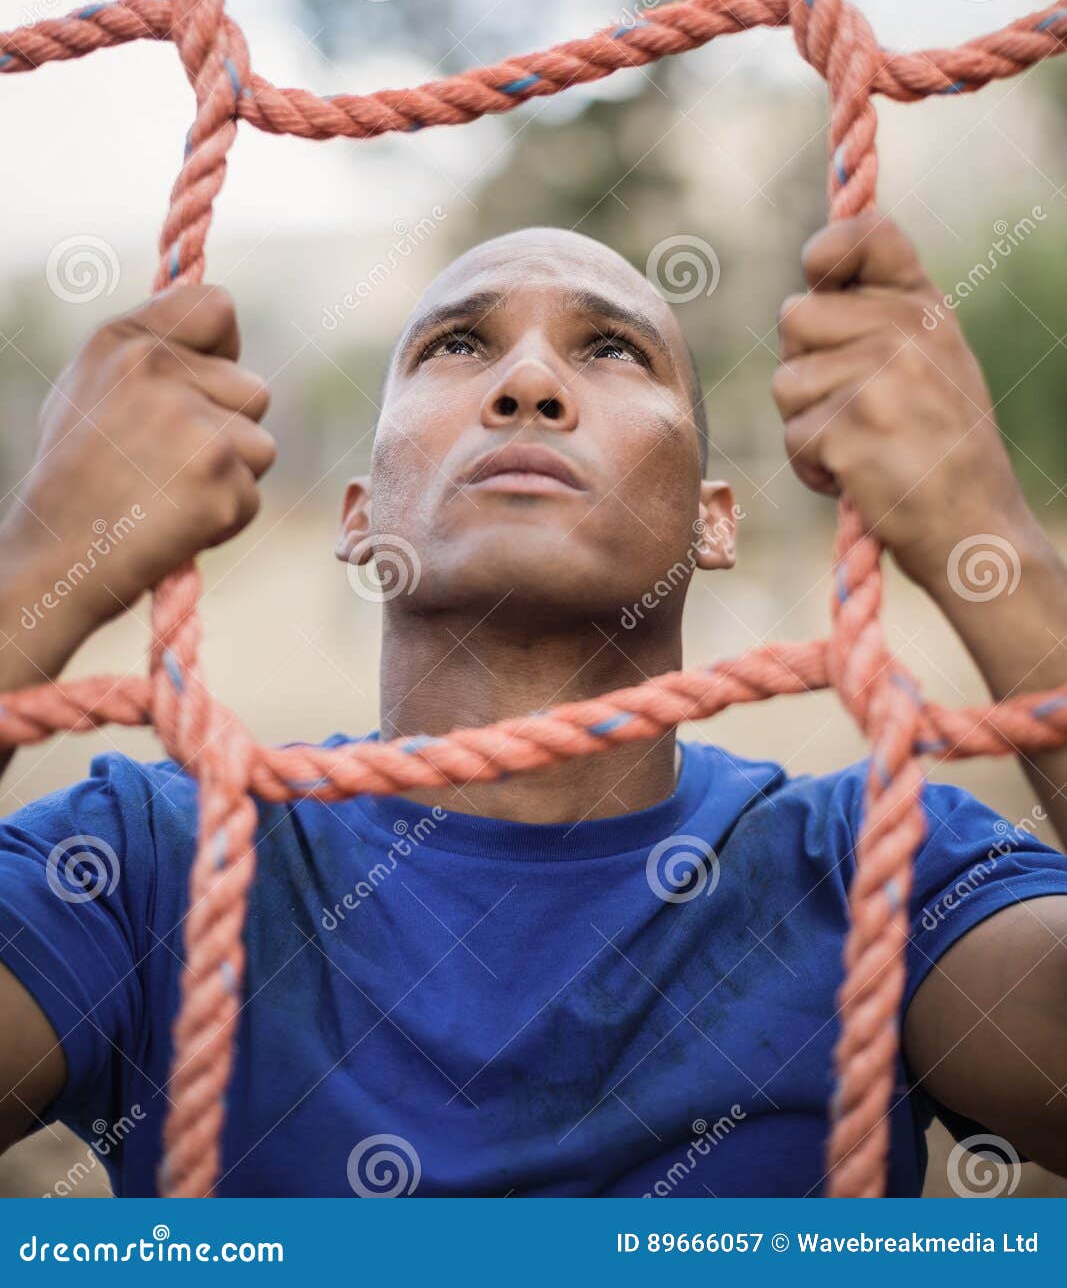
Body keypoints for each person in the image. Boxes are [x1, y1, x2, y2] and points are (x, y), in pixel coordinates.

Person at [0, 214, 1065, 1199]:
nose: (527, 384)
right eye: (458, 344)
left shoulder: (877, 865)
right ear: (359, 516)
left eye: (611, 350)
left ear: (713, 522)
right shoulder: (153, 864)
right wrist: (42, 560)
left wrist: (986, 531)